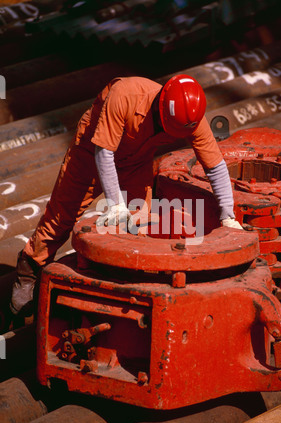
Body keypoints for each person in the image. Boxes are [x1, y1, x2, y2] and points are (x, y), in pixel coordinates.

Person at [9, 74, 242, 318]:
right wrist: (115, 205)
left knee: (139, 223)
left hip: (135, 162)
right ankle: (30, 270)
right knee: (60, 219)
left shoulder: (190, 115)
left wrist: (228, 214)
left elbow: (214, 165)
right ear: (160, 107)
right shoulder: (126, 95)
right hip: (91, 154)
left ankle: (121, 290)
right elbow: (104, 153)